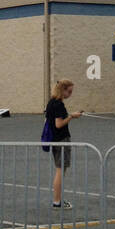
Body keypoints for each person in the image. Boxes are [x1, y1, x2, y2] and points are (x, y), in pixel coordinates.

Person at [46, 79, 84, 208]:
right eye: (69, 91)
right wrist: (72, 116)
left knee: (60, 170)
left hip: (55, 140)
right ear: (62, 90)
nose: (70, 94)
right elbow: (59, 124)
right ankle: (57, 201)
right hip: (61, 140)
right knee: (60, 171)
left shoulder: (51, 102)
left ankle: (58, 200)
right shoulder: (58, 105)